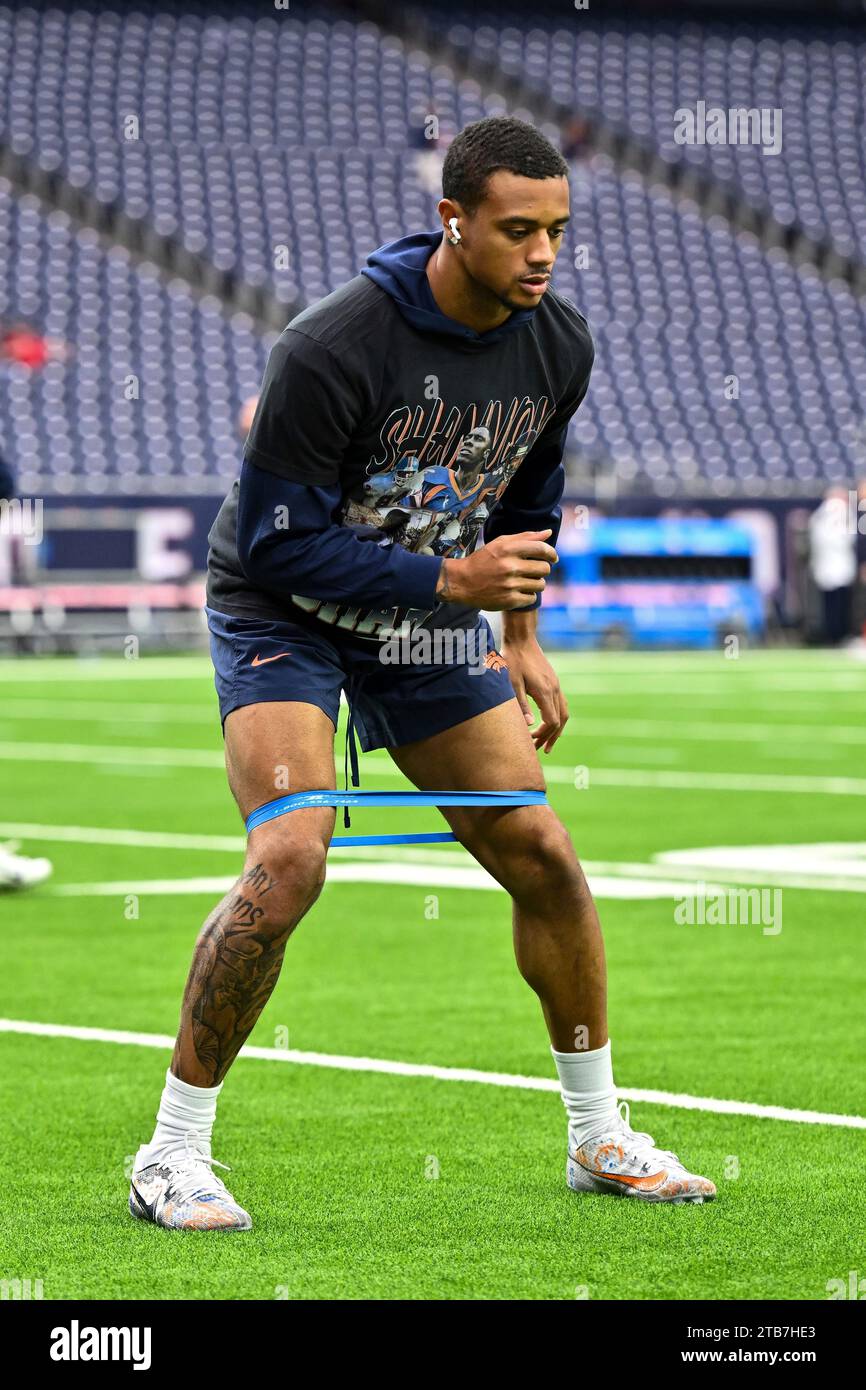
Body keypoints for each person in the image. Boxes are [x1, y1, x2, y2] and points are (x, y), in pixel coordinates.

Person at [127, 115, 715, 1232]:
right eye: (516, 229)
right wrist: (456, 584)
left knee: (540, 850)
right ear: (452, 220)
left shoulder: (557, 345)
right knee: (293, 855)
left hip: (430, 612)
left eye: (557, 230)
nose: (541, 252)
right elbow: (275, 542)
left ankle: (597, 1135)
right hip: (283, 608)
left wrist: (521, 633)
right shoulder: (331, 346)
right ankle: (171, 1153)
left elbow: (528, 504)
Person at [808, 486, 858, 645]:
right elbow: (847, 538)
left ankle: (833, 635)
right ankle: (838, 635)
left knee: (831, 604)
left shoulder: (820, 514)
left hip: (827, 566)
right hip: (837, 566)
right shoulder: (839, 511)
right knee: (839, 605)